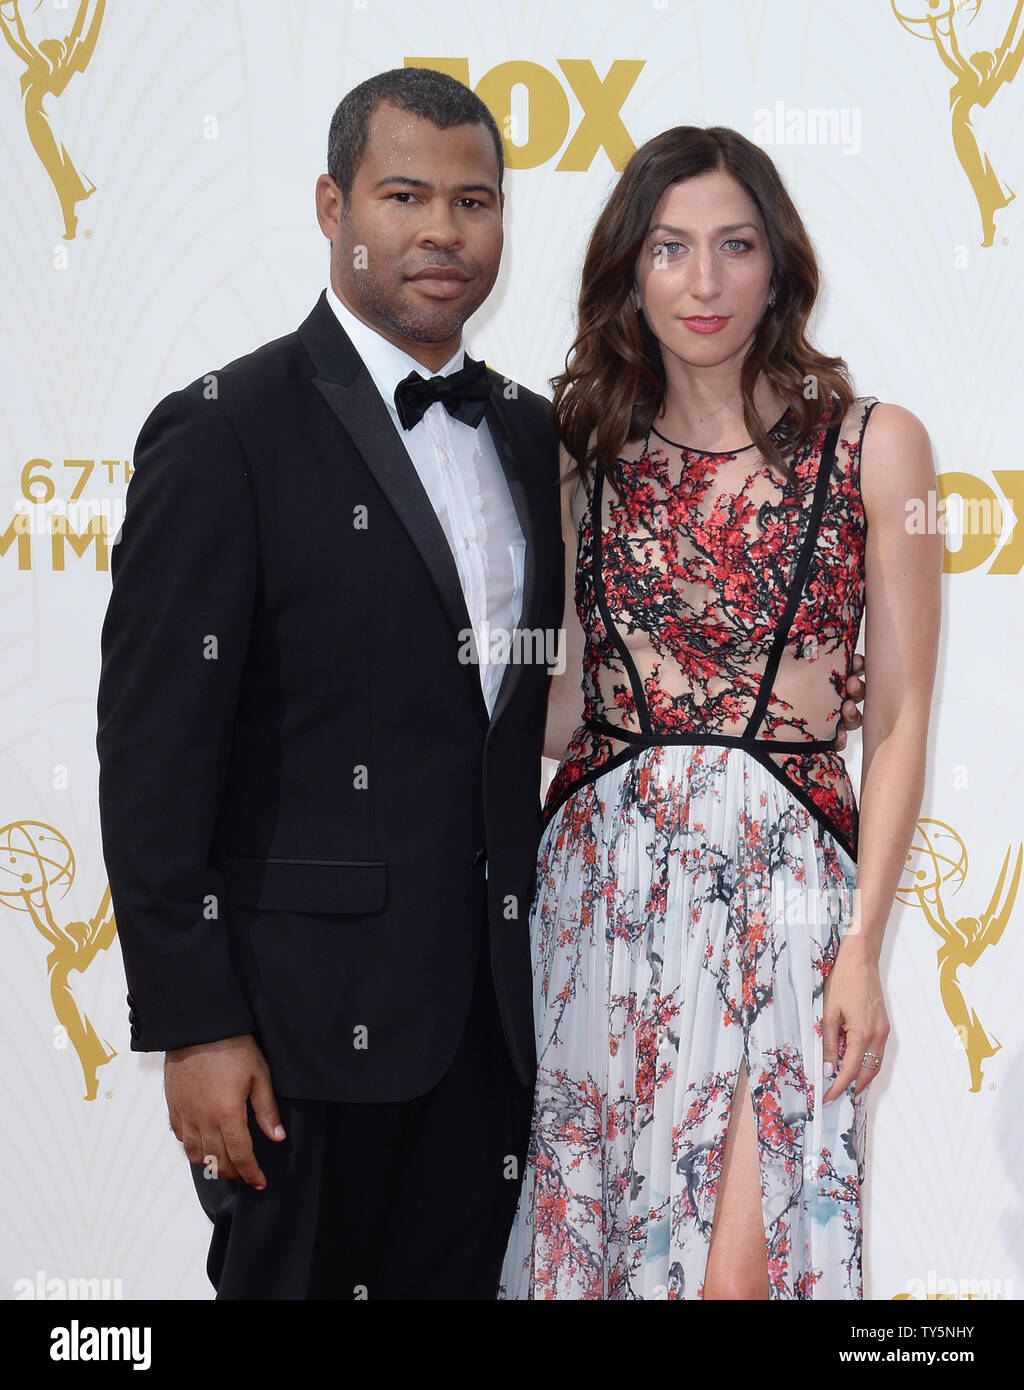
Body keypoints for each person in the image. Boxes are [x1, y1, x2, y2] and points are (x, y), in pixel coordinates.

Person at [95, 67, 566, 1300]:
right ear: (331, 205)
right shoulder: (222, 430)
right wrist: (196, 1023)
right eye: (404, 194)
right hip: (298, 1037)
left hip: (488, 1029)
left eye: (473, 201)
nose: (441, 231)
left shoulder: (528, 435)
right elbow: (153, 759)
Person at [499, 125, 941, 1301]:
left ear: (778, 265)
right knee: (591, 1260)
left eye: (734, 247)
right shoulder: (574, 450)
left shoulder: (875, 450)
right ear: (628, 275)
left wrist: (863, 949)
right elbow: (560, 705)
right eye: (669, 249)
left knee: (741, 1276)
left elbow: (898, 718)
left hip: (788, 899)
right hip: (601, 890)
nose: (704, 284)